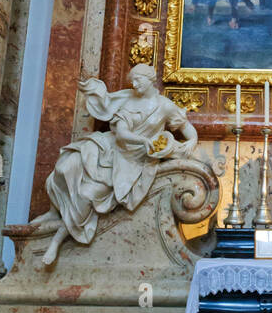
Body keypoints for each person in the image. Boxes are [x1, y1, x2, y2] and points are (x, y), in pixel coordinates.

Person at [27, 67, 200, 266]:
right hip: (111, 145)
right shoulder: (129, 99)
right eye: (132, 81)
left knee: (87, 195)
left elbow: (187, 129)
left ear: (150, 79)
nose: (134, 85)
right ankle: (54, 210)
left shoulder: (165, 106)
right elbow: (122, 134)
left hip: (133, 159)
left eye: (138, 81)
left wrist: (192, 141)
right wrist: (143, 140)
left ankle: (56, 241)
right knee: (66, 165)